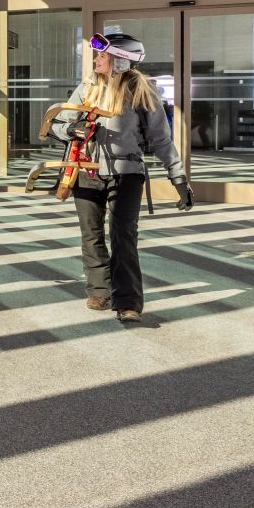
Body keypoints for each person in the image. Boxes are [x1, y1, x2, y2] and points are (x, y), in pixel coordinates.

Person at [49, 32, 193, 322]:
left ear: (121, 59)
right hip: (85, 171)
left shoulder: (141, 90)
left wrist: (178, 178)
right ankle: (99, 291)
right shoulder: (87, 86)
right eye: (97, 54)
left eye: (102, 55)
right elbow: (57, 122)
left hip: (126, 173)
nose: (96, 59)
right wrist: (70, 130)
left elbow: (161, 139)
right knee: (91, 234)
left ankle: (128, 301)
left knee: (123, 235)